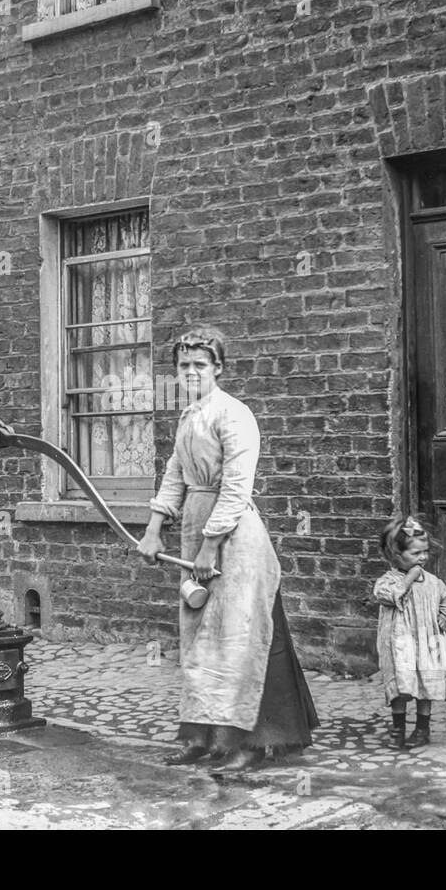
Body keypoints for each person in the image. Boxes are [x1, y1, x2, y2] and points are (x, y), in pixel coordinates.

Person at [138, 327, 318, 772]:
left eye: (200, 364)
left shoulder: (235, 415)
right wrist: (154, 529)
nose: (191, 372)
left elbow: (237, 488)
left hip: (235, 539)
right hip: (196, 528)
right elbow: (175, 474)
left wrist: (210, 547)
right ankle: (200, 737)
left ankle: (248, 744)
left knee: (239, 637)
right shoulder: (189, 417)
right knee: (200, 638)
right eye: (184, 366)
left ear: (218, 367)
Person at [370, 515, 446, 749]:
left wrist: (444, 616)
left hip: (427, 643)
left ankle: (422, 729)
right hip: (399, 644)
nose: (422, 558)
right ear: (396, 555)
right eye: (415, 554)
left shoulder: (432, 582)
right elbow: (388, 596)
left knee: (426, 685)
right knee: (401, 686)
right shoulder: (388, 581)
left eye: (425, 552)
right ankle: (398, 729)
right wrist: (409, 578)